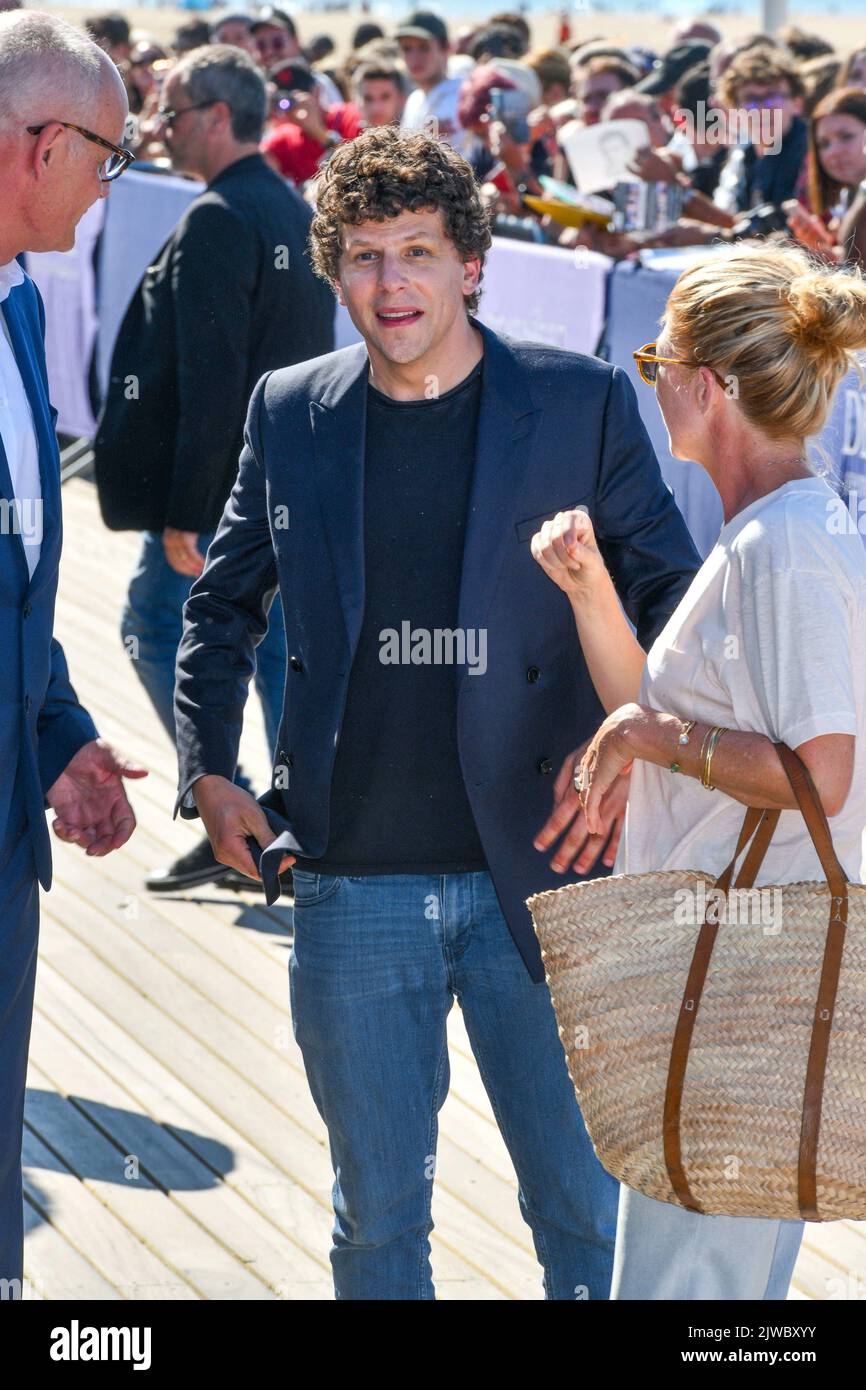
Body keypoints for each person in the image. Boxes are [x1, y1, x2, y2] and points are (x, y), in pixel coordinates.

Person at [172, 125, 701, 1301]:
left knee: (580, 1214)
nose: (389, 282)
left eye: (416, 250)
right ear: (333, 270)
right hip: (351, 878)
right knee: (377, 1223)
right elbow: (220, 607)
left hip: (546, 877)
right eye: (361, 256)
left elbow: (677, 602)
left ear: (473, 264)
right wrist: (209, 767)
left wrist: (631, 745)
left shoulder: (579, 403)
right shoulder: (289, 409)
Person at [531, 242, 866, 1300]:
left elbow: (819, 776)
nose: (650, 383)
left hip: (743, 973)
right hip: (727, 964)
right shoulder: (768, 534)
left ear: (705, 383)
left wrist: (651, 742)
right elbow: (665, 707)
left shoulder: (787, 544)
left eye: (655, 362)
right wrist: (590, 594)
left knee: (691, 1291)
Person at [93, 44, 334, 895]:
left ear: (219, 117)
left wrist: (187, 513)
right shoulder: (290, 208)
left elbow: (212, 381)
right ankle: (275, 818)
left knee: (155, 627)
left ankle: (229, 802)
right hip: (287, 485)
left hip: (227, 498)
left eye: (174, 112)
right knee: (268, 657)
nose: (160, 129)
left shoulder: (219, 217)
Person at [0, 9, 146, 1295]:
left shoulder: (14, 310)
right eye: (107, 151)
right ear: (41, 143)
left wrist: (58, 738)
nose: (113, 183)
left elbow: (16, 577)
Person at [262, 60, 362, 184]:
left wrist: (320, 134)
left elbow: (362, 168)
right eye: (284, 99)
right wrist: (262, 111)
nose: (293, 105)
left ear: (318, 90)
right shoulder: (284, 138)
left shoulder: (350, 116)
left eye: (300, 95)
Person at [397, 10, 477, 157]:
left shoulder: (465, 96)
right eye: (406, 48)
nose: (414, 58)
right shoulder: (414, 100)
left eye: (424, 48)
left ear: (446, 48)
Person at [352, 60, 406, 129]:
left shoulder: (416, 136)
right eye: (368, 99)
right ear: (355, 100)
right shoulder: (346, 134)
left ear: (401, 99)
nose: (376, 108)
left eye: (385, 97)